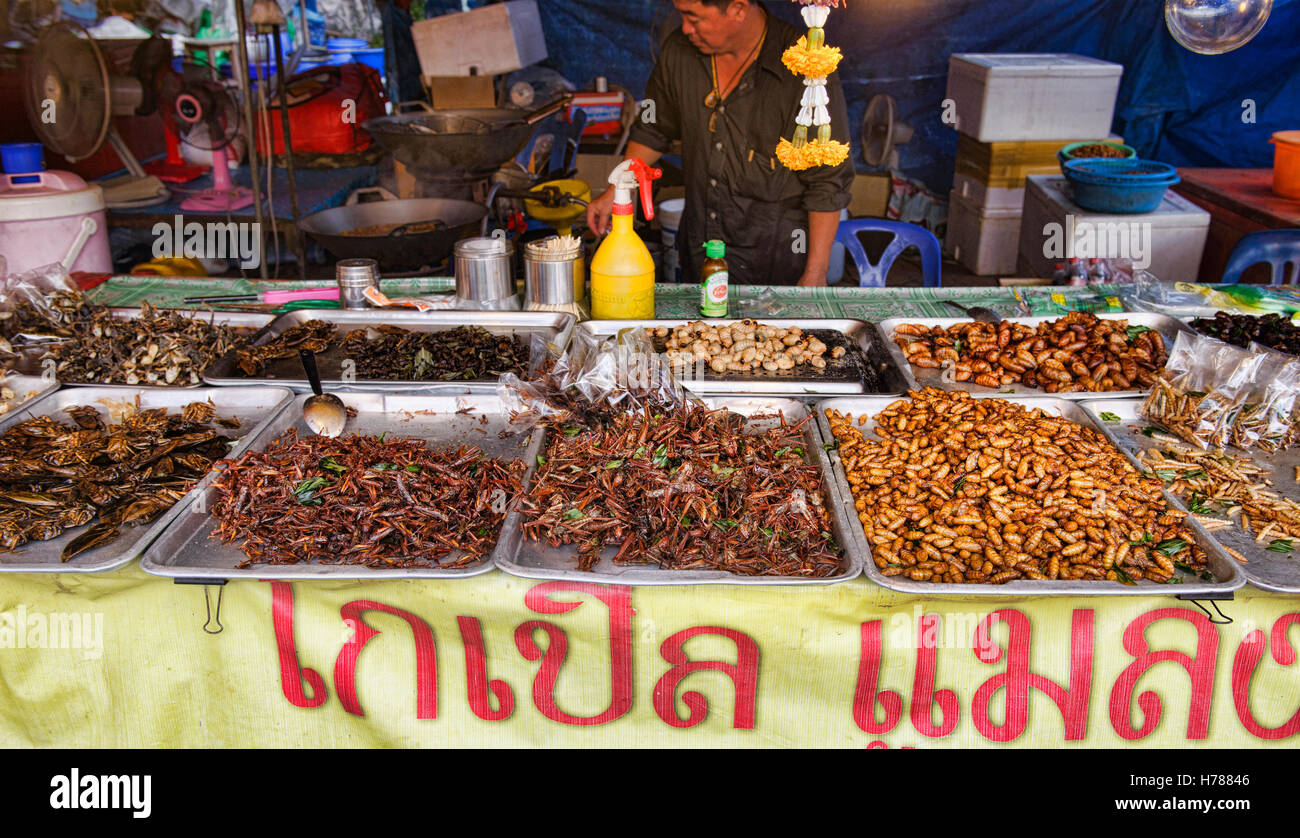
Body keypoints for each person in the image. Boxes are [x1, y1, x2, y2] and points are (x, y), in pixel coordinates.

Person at [586, 0, 854, 287]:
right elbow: (652, 129)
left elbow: (827, 181)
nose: (685, 28)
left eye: (693, 17)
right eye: (681, 15)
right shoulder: (679, 51)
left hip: (776, 266)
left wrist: (815, 271)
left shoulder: (804, 64)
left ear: (738, 9)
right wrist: (618, 188)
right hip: (700, 253)